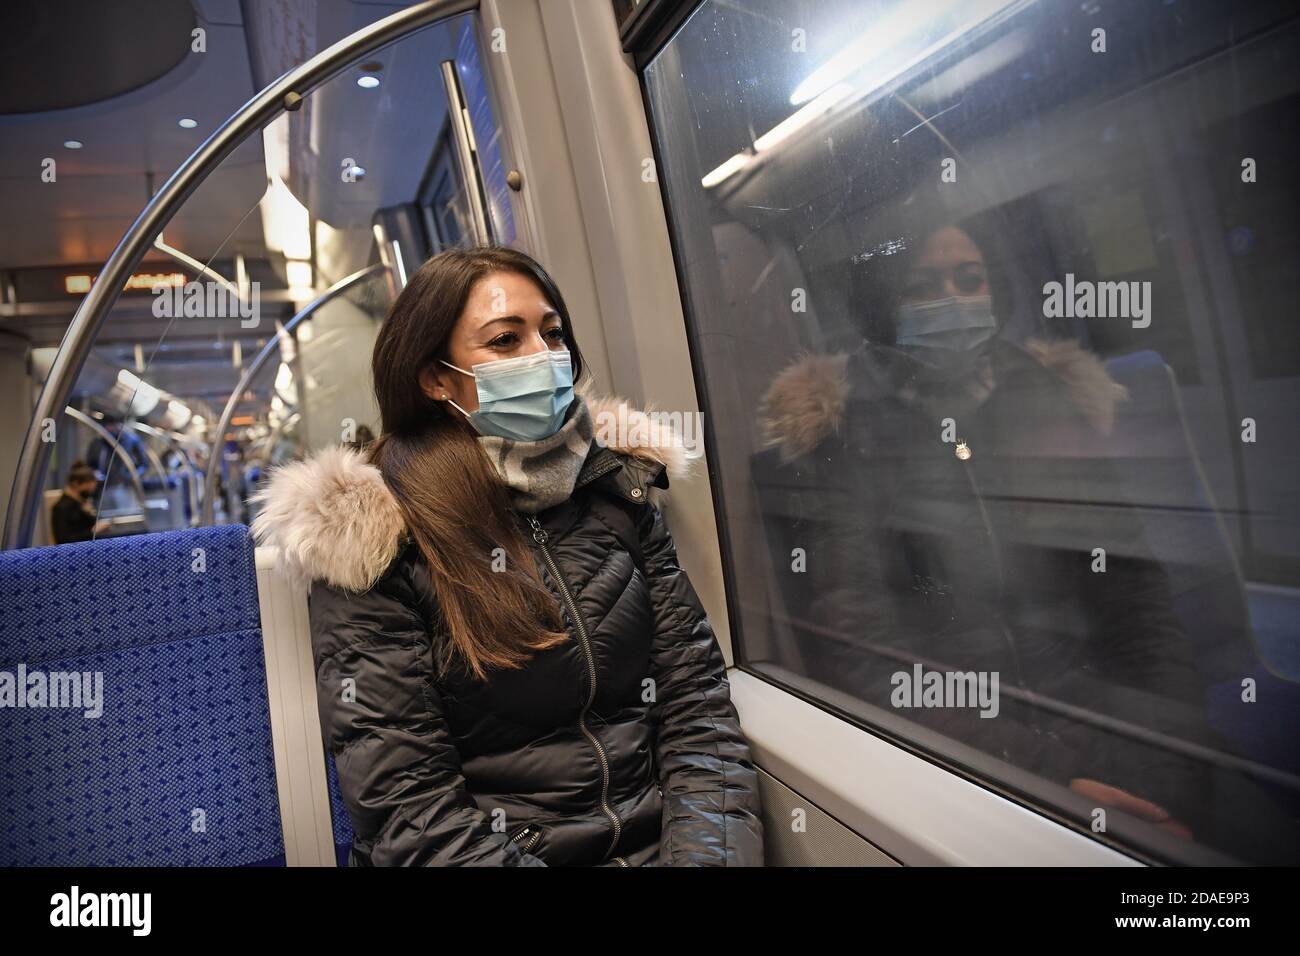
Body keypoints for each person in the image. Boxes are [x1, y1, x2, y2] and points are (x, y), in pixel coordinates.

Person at [253, 246, 764, 867]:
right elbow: (414, 815)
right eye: (504, 340)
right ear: (434, 377)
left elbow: (699, 713)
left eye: (552, 334)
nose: (542, 358)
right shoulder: (378, 543)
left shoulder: (614, 491)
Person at [759, 221, 1220, 845]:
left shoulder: (1048, 399)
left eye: (969, 280)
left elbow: (1140, 604)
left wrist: (1170, 771)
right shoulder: (845, 433)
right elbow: (862, 650)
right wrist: (1044, 778)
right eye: (921, 288)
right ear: (884, 308)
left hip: (1108, 725)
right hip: (971, 758)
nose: (952, 301)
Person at [50, 461, 110, 544]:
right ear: (76, 484)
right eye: (88, 488)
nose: (90, 492)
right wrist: (92, 531)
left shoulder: (81, 504)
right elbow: (62, 540)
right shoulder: (61, 508)